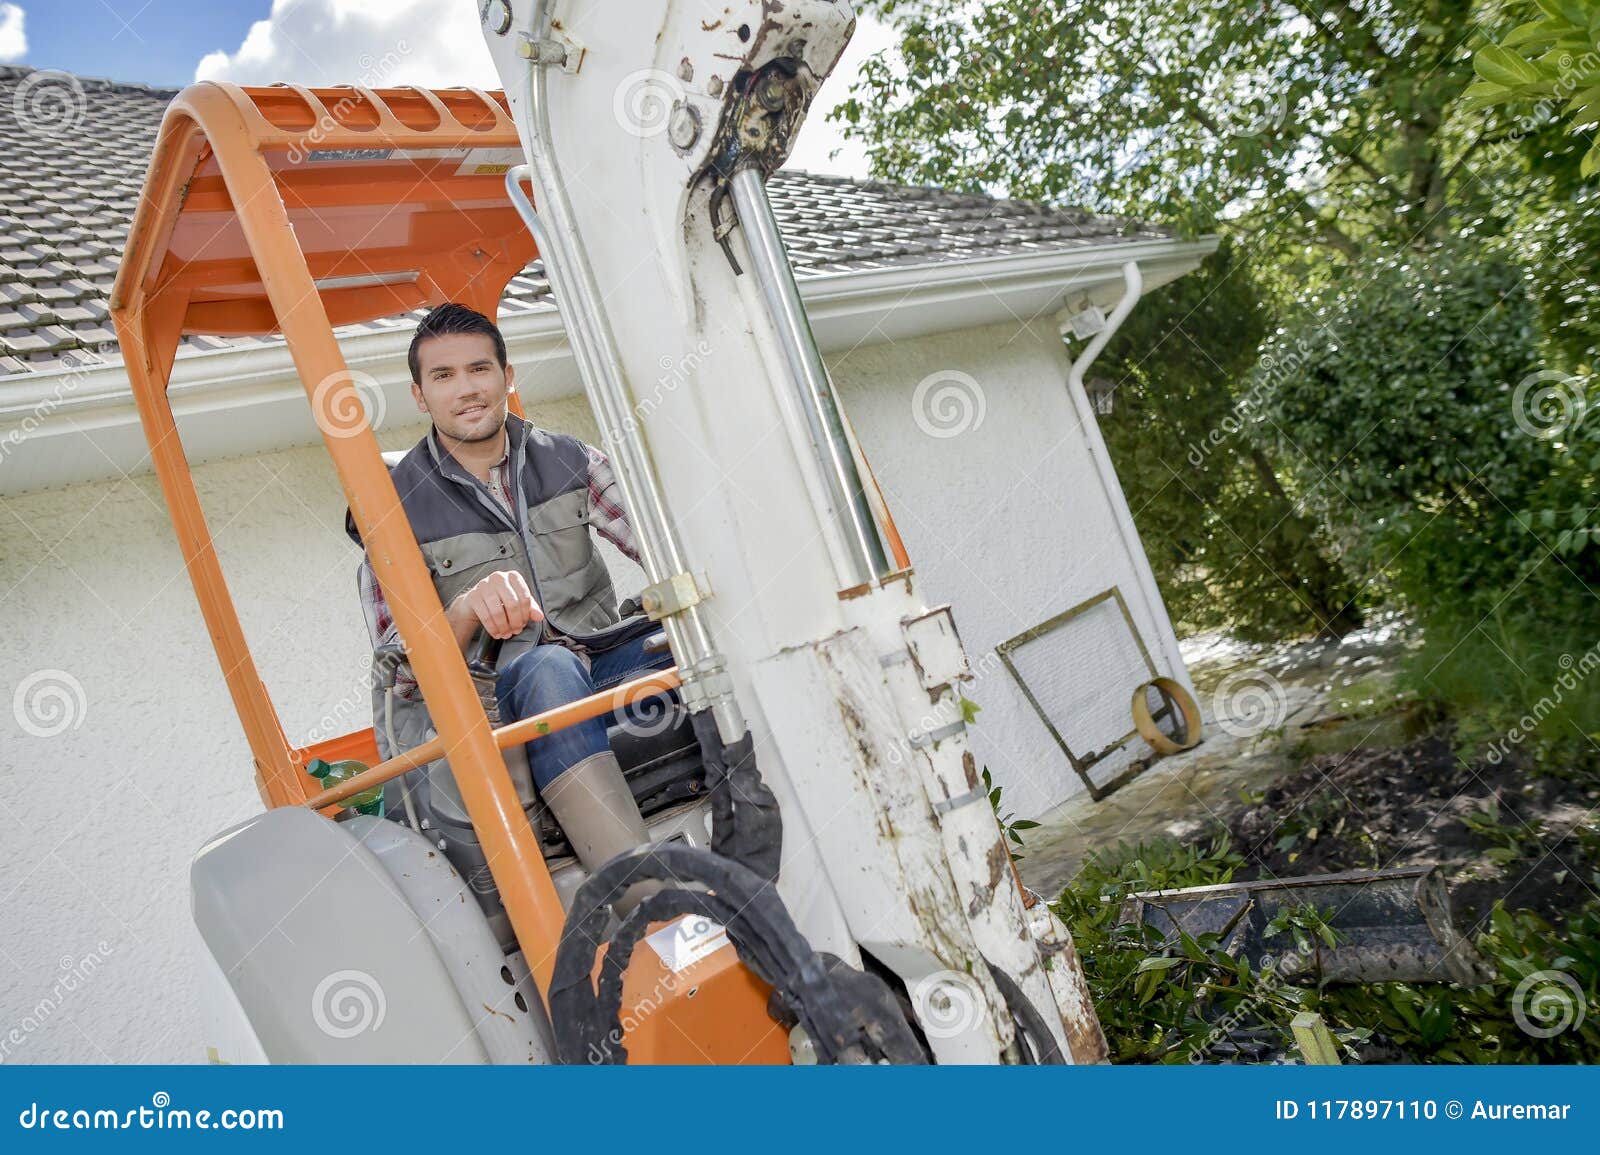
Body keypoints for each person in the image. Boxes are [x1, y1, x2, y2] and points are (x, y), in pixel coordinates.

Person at [346, 302, 670, 909]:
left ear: (506, 376)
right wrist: (466, 609)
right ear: (420, 396)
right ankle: (648, 901)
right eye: (443, 376)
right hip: (496, 702)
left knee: (685, 635)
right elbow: (402, 672)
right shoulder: (393, 510)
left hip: (598, 667)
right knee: (546, 666)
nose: (466, 388)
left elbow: (667, 545)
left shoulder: (571, 461)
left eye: (479, 369)